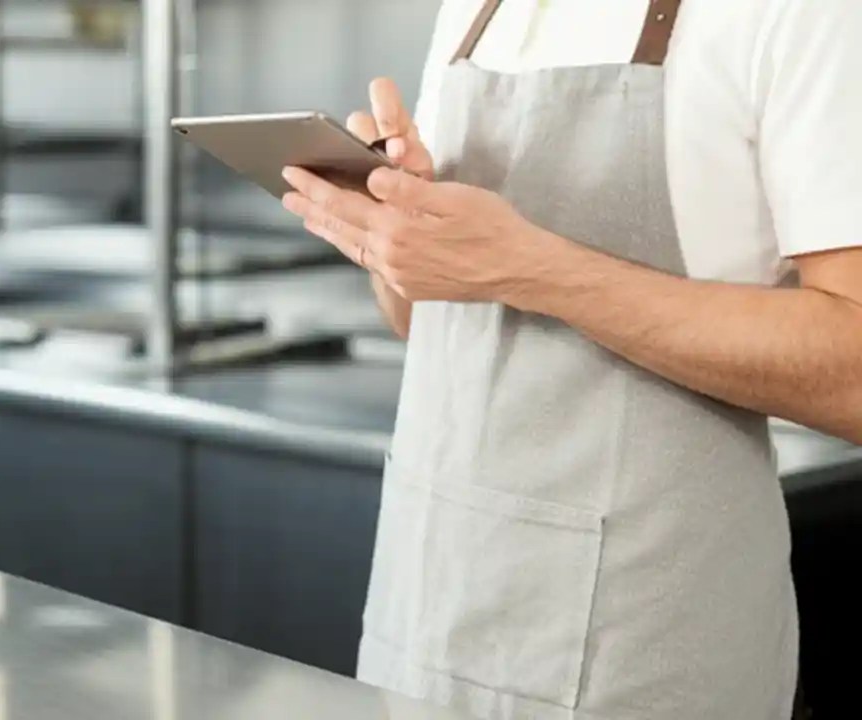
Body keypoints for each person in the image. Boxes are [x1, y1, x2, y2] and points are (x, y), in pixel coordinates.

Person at [279, 0, 862, 717]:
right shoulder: (472, 12)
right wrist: (396, 230)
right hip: (428, 622)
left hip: (650, 640)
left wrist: (537, 270)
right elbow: (418, 320)